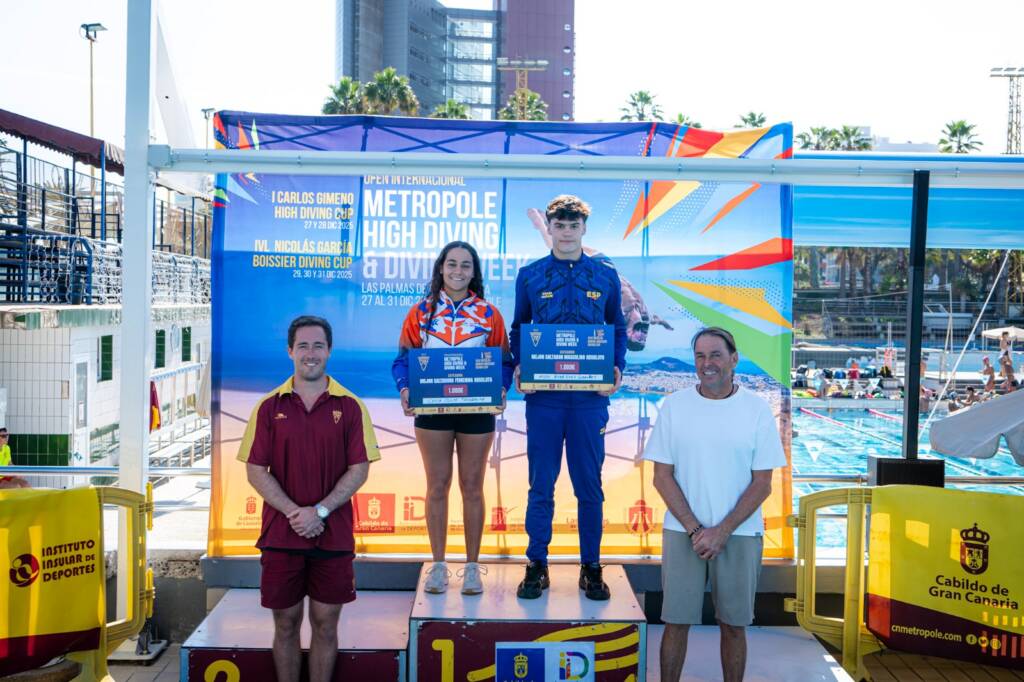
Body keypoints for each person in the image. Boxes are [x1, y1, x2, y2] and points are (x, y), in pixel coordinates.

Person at [238, 316, 379, 682]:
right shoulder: (269, 407)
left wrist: (320, 511)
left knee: (325, 624)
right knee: (285, 624)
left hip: (333, 535)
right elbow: (255, 470)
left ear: (329, 351)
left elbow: (359, 469)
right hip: (281, 535)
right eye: (303, 346)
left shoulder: (350, 406)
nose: (310, 354)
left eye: (318, 346)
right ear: (290, 351)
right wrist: (293, 513)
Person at [643, 327, 787, 682]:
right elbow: (662, 476)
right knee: (675, 623)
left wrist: (722, 531)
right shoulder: (675, 407)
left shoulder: (756, 409)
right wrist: (696, 529)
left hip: (739, 533)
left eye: (715, 355)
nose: (707, 364)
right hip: (682, 532)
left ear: (734, 360)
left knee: (734, 626)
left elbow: (763, 483)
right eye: (700, 356)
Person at [509, 195, 627, 601]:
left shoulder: (606, 275)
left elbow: (618, 329)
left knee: (589, 486)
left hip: (589, 401)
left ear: (583, 229)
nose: (566, 231)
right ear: (550, 227)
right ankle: (536, 563)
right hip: (545, 401)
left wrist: (616, 370)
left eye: (573, 225)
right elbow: (518, 330)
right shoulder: (530, 275)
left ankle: (591, 566)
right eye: (559, 224)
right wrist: (521, 369)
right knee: (541, 485)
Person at [392, 241, 511, 595]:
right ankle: (439, 565)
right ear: (441, 268)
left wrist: (502, 388)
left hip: (476, 411)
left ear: (474, 272)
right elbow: (402, 359)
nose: (458, 271)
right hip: (432, 411)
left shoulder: (490, 314)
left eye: (465, 265)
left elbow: (504, 360)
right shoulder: (421, 312)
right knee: (437, 485)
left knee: (472, 486)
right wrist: (404, 388)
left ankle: (472, 567)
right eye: (452, 264)